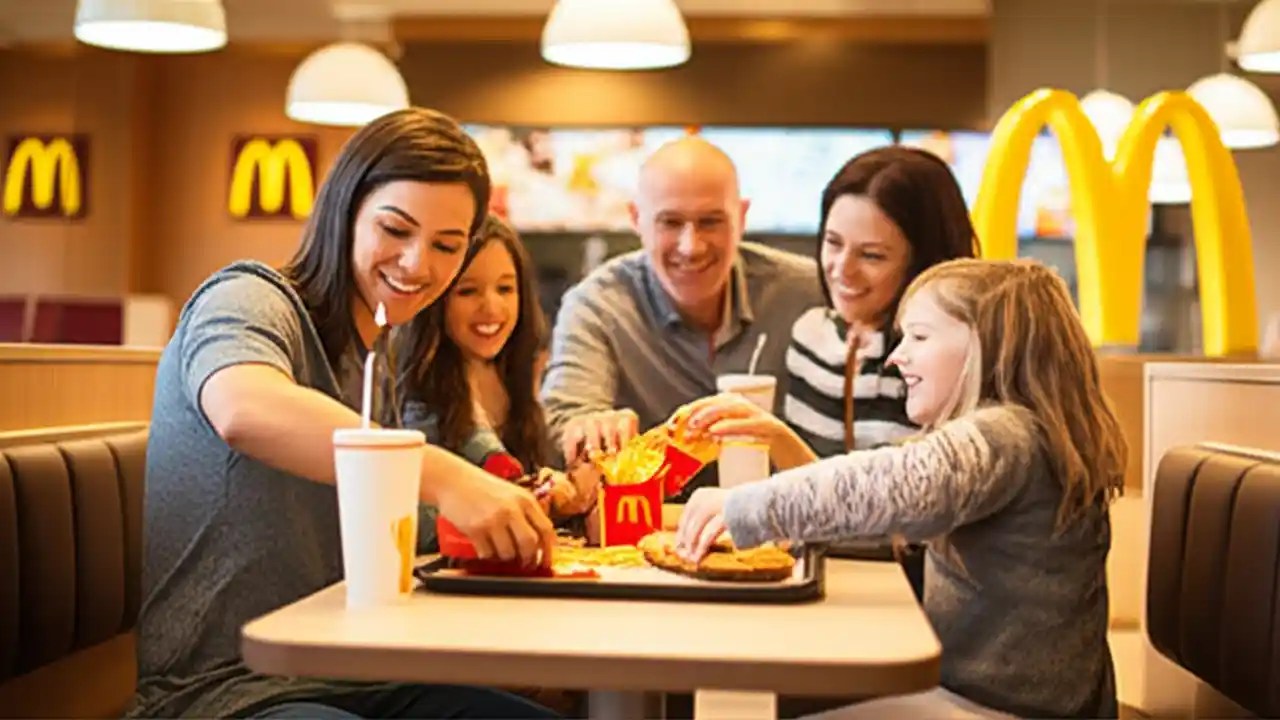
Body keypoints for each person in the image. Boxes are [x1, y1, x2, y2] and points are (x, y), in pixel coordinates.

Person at [128, 109, 558, 720]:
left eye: (446, 246)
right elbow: (242, 407)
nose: (419, 265)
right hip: (224, 692)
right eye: (395, 229)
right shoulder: (249, 298)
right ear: (344, 211)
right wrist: (441, 472)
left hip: (355, 677)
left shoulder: (373, 363)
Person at [675, 258, 1126, 719]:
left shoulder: (1005, 436)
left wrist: (744, 506)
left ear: (985, 345)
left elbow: (892, 486)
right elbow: (880, 510)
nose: (896, 356)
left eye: (920, 336)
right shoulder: (1029, 438)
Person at [665, 146, 979, 594]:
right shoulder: (813, 334)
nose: (841, 271)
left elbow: (899, 524)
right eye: (832, 244)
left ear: (923, 259)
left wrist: (777, 441)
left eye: (872, 255)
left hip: (914, 601)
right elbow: (814, 510)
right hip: (822, 586)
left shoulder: (944, 363)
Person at [541, 136, 823, 498]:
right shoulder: (598, 305)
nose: (691, 246)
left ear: (742, 216)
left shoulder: (806, 293)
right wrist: (587, 428)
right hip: (651, 535)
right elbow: (565, 415)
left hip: (787, 530)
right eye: (670, 222)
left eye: (711, 221)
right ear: (636, 219)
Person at [406, 214, 598, 531]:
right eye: (467, 291)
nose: (492, 308)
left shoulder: (517, 377)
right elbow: (415, 521)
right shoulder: (419, 393)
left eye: (506, 289)